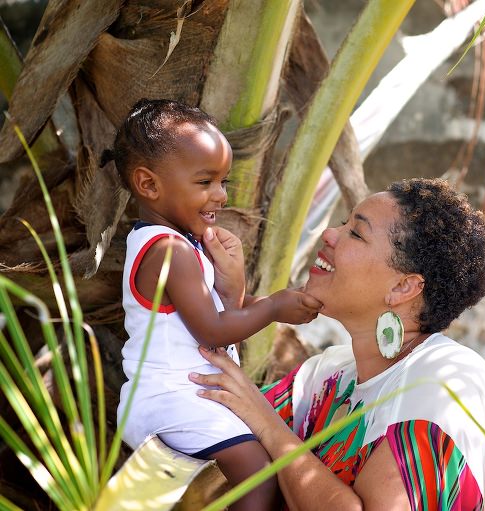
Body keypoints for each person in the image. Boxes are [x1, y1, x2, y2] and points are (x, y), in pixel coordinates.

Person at [192, 178, 485, 510]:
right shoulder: (327, 376)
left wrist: (268, 423)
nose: (329, 234)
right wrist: (227, 300)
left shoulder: (447, 379)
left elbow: (257, 415)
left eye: (355, 232)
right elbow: (216, 419)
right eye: (343, 222)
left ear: (403, 287)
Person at [104, 98, 323, 511]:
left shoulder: (172, 244)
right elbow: (212, 331)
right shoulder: (171, 251)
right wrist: (274, 307)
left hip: (180, 396)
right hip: (173, 398)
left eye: (223, 181)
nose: (220, 196)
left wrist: (247, 293)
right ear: (149, 185)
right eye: (205, 182)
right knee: (258, 473)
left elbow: (216, 314)